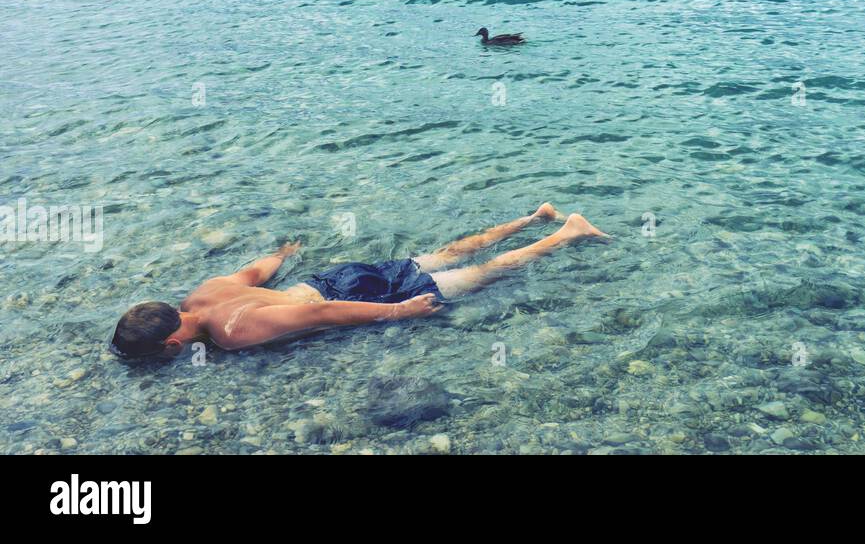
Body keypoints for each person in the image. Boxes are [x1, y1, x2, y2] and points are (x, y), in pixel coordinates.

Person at [109, 204, 607, 357]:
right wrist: (284, 253)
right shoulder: (202, 294)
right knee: (444, 254)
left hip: (343, 296)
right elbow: (253, 272)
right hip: (332, 276)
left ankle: (567, 232)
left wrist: (401, 312)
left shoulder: (229, 333)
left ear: (173, 340)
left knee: (477, 276)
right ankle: (534, 216)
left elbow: (319, 315)